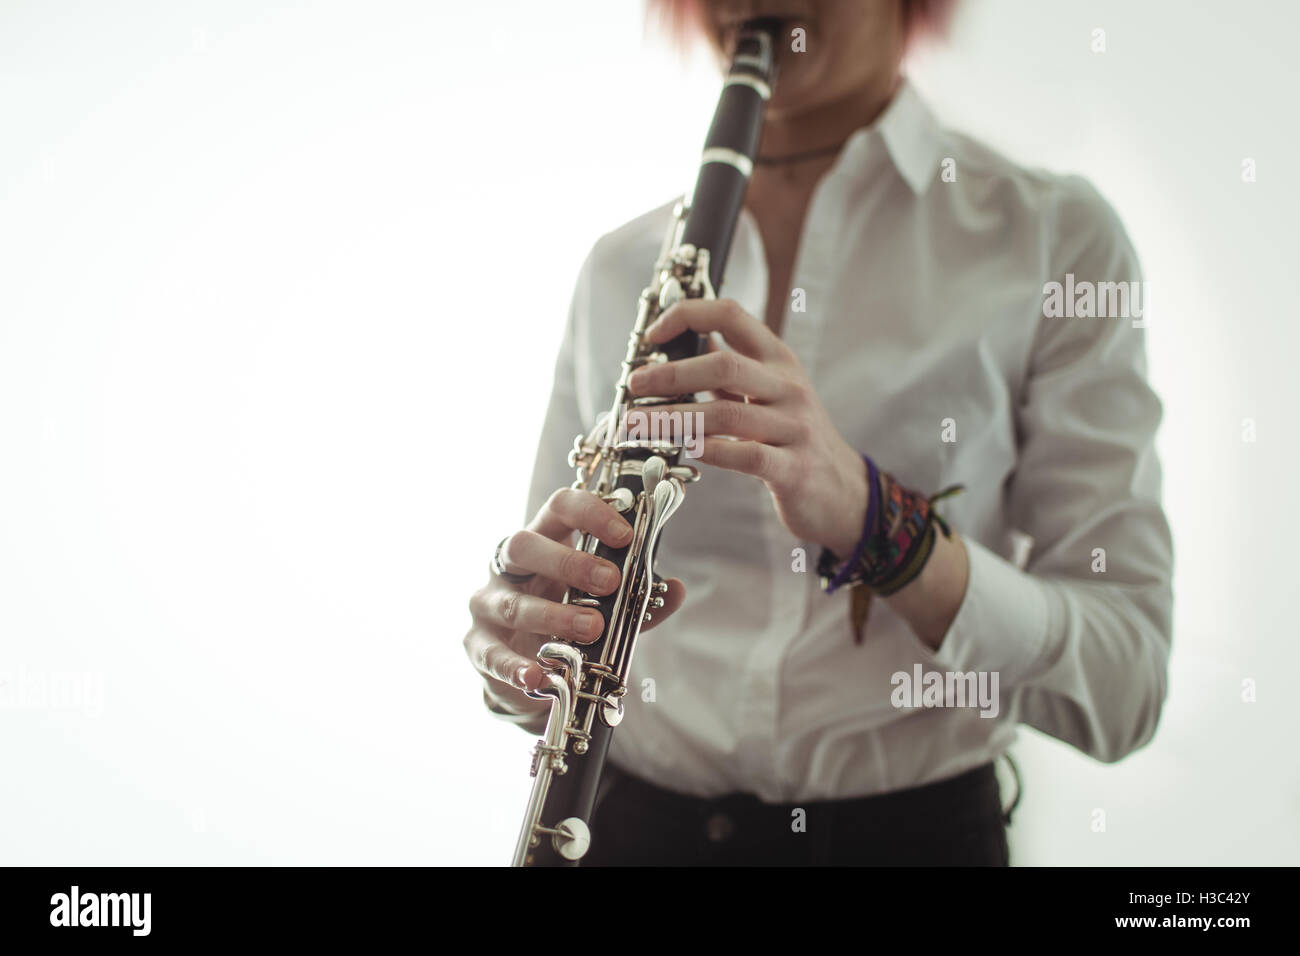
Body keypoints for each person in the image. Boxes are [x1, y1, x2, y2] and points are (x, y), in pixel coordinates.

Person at [463, 0, 1173, 865]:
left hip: (910, 843)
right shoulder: (620, 265)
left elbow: (1126, 682)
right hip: (626, 830)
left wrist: (880, 521)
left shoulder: (1052, 239)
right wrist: (523, 658)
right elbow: (551, 621)